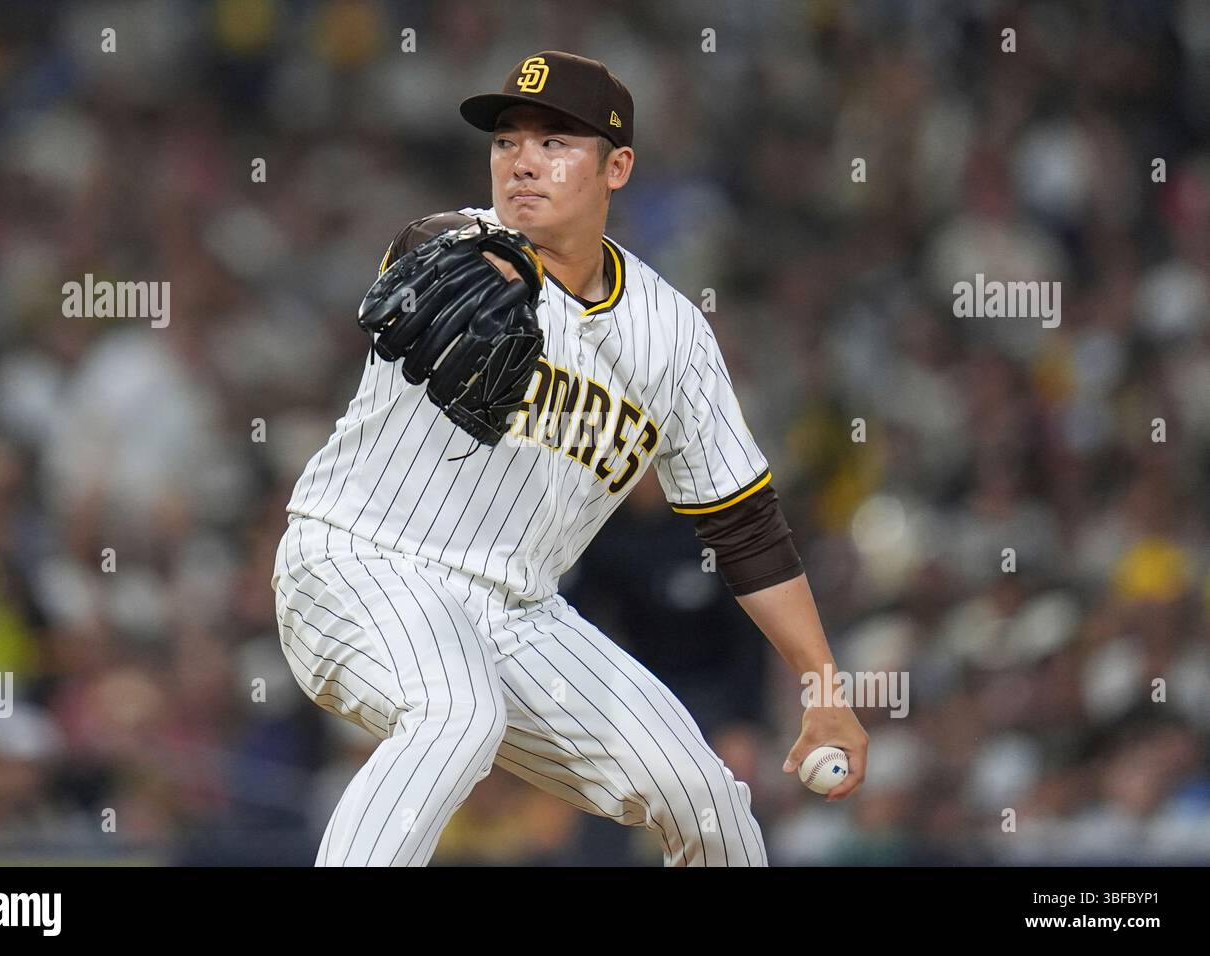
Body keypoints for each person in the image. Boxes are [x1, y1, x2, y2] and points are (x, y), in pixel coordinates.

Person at [272, 50, 868, 867]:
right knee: (457, 714)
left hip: (517, 614)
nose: (521, 159)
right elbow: (420, 249)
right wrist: (455, 256)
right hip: (358, 562)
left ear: (617, 167)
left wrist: (824, 686)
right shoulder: (456, 250)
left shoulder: (671, 332)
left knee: (702, 794)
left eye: (555, 142)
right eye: (507, 139)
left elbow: (746, 527)